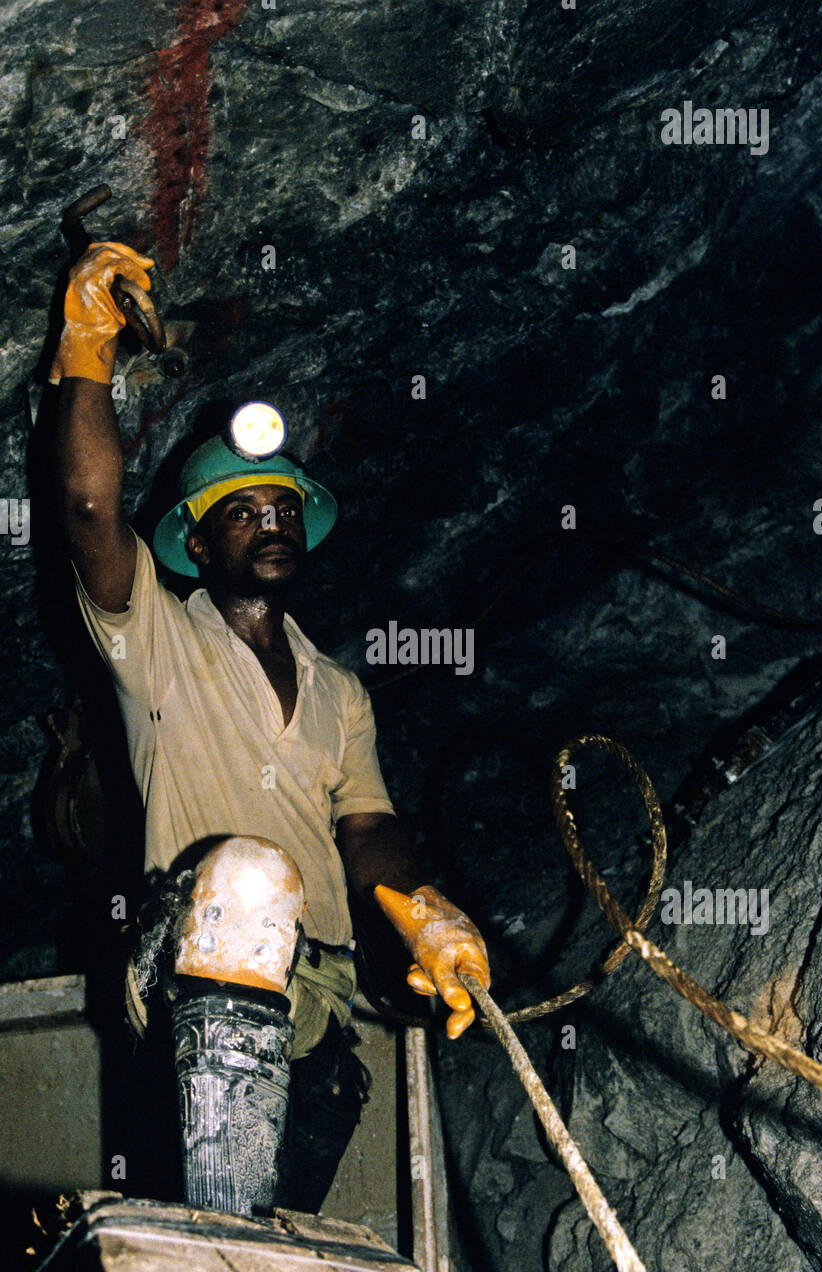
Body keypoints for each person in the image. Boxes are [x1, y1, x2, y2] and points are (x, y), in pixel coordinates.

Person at [50, 240, 491, 1214]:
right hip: (194, 964)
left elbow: (368, 827)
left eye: (284, 506)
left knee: (259, 1236)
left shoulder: (341, 691)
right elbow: (87, 506)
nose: (271, 521)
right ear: (197, 544)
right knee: (251, 878)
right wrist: (87, 349)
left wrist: (419, 903)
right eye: (242, 511)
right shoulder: (156, 639)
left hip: (319, 1004)